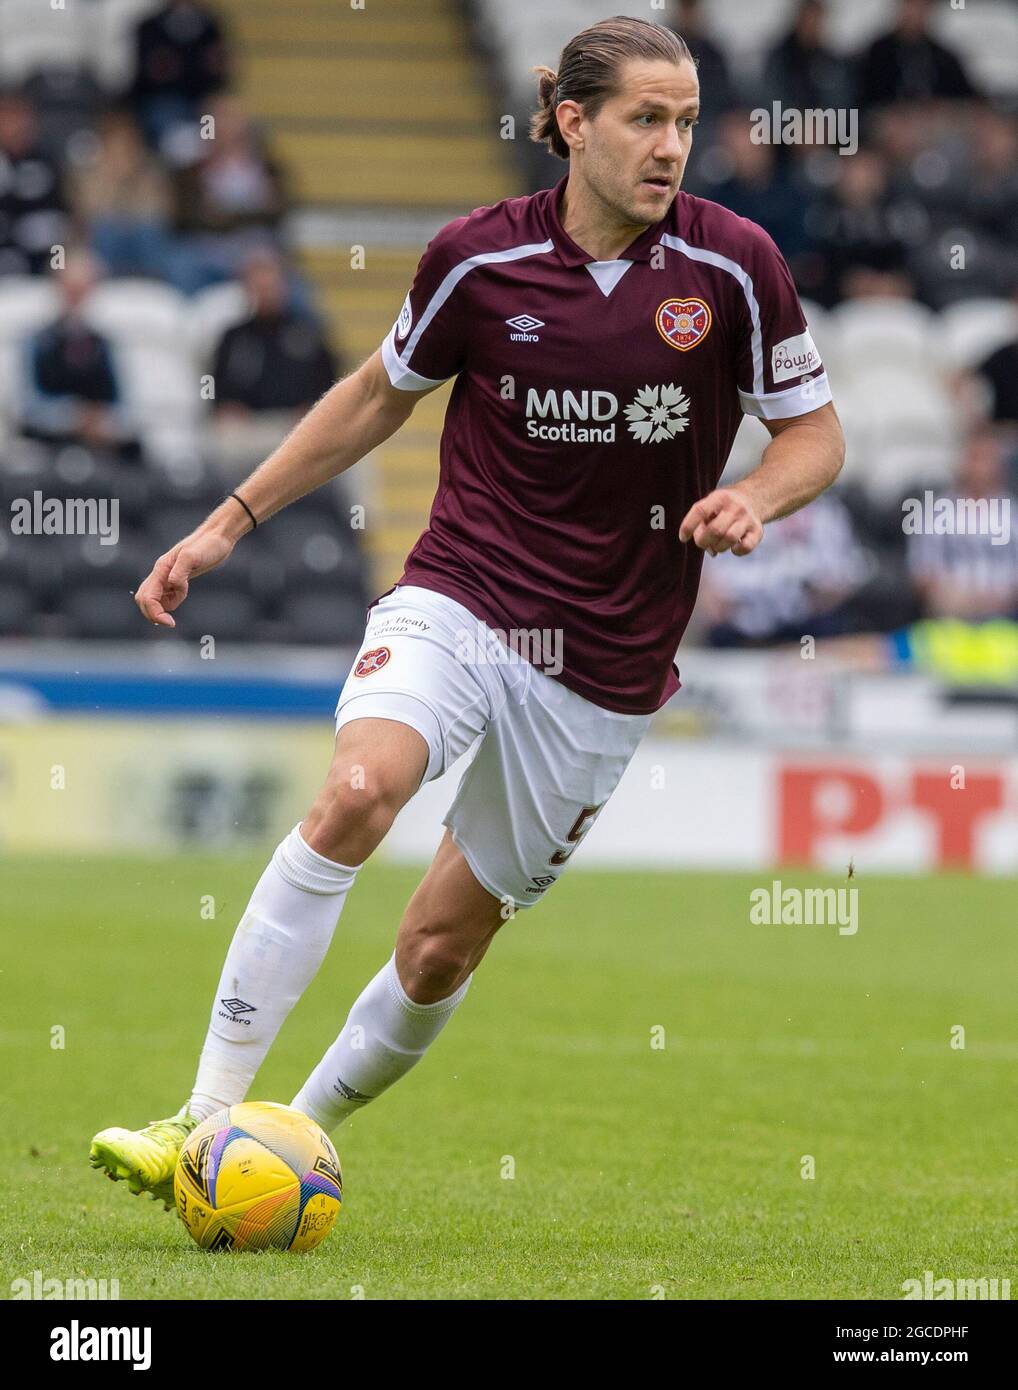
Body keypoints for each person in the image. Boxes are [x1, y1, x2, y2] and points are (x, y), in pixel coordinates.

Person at [89, 16, 844, 1209]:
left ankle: (293, 1136)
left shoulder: (735, 263)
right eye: (646, 119)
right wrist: (229, 520)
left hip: (606, 657)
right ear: (571, 123)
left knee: (441, 944)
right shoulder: (475, 260)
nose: (671, 147)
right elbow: (373, 397)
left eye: (687, 121)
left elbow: (816, 432)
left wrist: (752, 494)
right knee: (355, 791)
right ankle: (202, 1114)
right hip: (466, 592)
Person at [18, 250, 140, 461]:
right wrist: (73, 417)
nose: (76, 298)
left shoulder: (104, 344)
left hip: (101, 443)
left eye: (82, 290)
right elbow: (28, 405)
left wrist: (102, 421)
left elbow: (125, 406)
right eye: (70, 290)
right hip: (50, 442)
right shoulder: (38, 341)